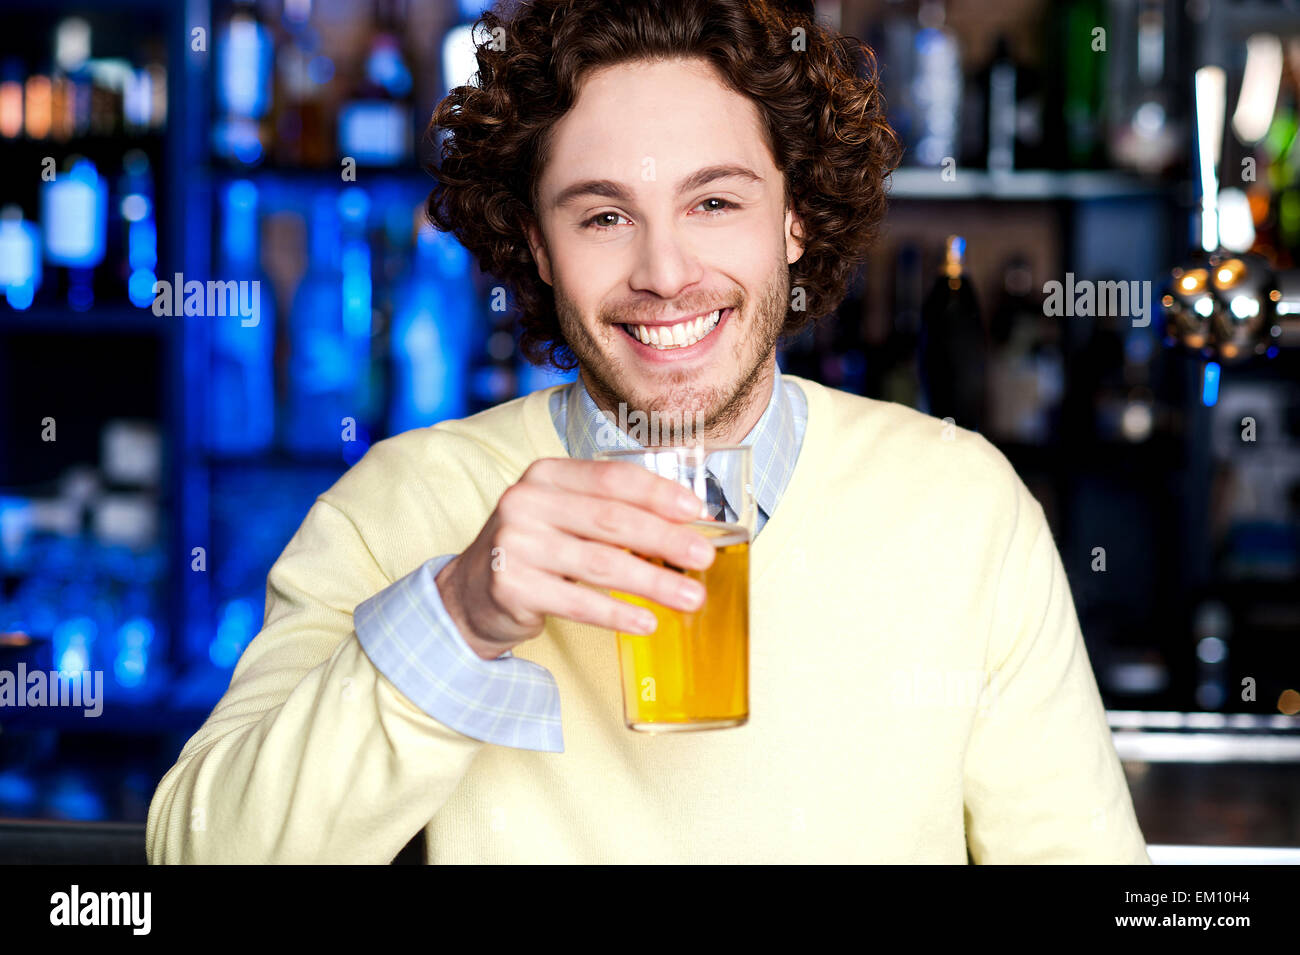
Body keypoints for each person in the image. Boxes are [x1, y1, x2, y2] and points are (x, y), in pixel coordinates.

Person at [147, 0, 1151, 863]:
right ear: (536, 245)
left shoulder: (961, 508)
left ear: (793, 218)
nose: (665, 272)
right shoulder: (400, 505)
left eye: (713, 201)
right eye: (601, 216)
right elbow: (199, 851)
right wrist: (454, 617)